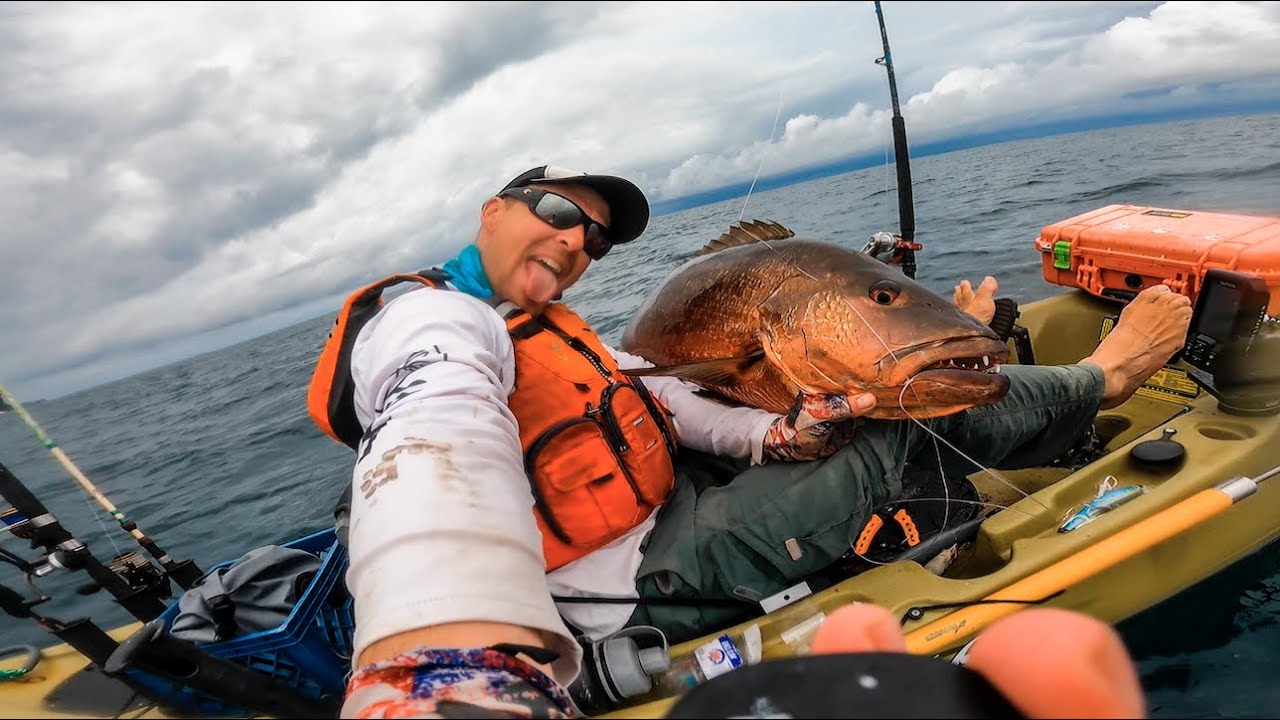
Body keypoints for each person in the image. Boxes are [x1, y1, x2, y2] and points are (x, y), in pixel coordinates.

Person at [306, 164, 1190, 718]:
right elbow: (432, 437)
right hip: (615, 589)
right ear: (493, 212)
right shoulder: (430, 320)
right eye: (553, 210)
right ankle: (1101, 381)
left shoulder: (546, 324)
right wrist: (443, 663)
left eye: (596, 236)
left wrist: (779, 434)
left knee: (860, 415)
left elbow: (671, 407)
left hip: (662, 506)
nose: (577, 238)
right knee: (899, 429)